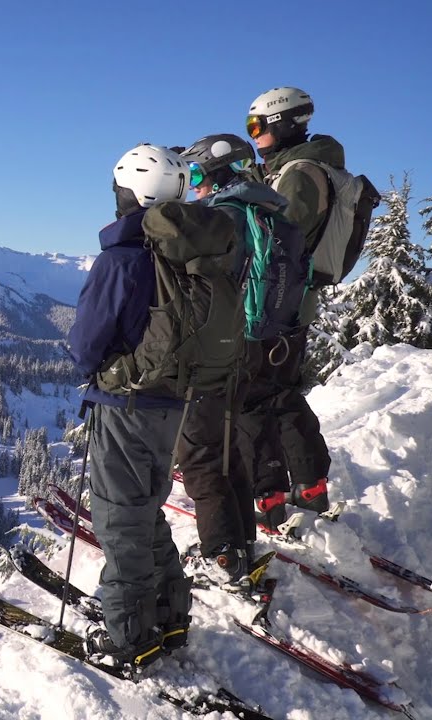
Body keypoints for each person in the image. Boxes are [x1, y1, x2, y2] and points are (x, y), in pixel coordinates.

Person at [67, 144, 194, 668]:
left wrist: (95, 369)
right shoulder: (186, 254)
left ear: (132, 194)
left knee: (120, 519)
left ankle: (129, 637)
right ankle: (170, 612)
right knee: (145, 510)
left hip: (126, 404)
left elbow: (86, 343)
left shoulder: (121, 259)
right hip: (175, 403)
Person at [176, 134, 308, 564]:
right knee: (232, 444)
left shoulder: (223, 217)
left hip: (226, 347)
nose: (194, 185)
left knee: (204, 450)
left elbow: (205, 288)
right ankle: (242, 538)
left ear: (219, 172)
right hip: (268, 340)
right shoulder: (269, 211)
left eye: (197, 174)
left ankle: (224, 553)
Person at [242, 86, 338, 523]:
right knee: (281, 394)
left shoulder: (299, 174)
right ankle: (309, 485)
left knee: (255, 398)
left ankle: (269, 496)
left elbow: (279, 239)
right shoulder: (304, 168)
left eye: (256, 126)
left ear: (281, 123)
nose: (254, 135)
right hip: (292, 302)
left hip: (276, 303)